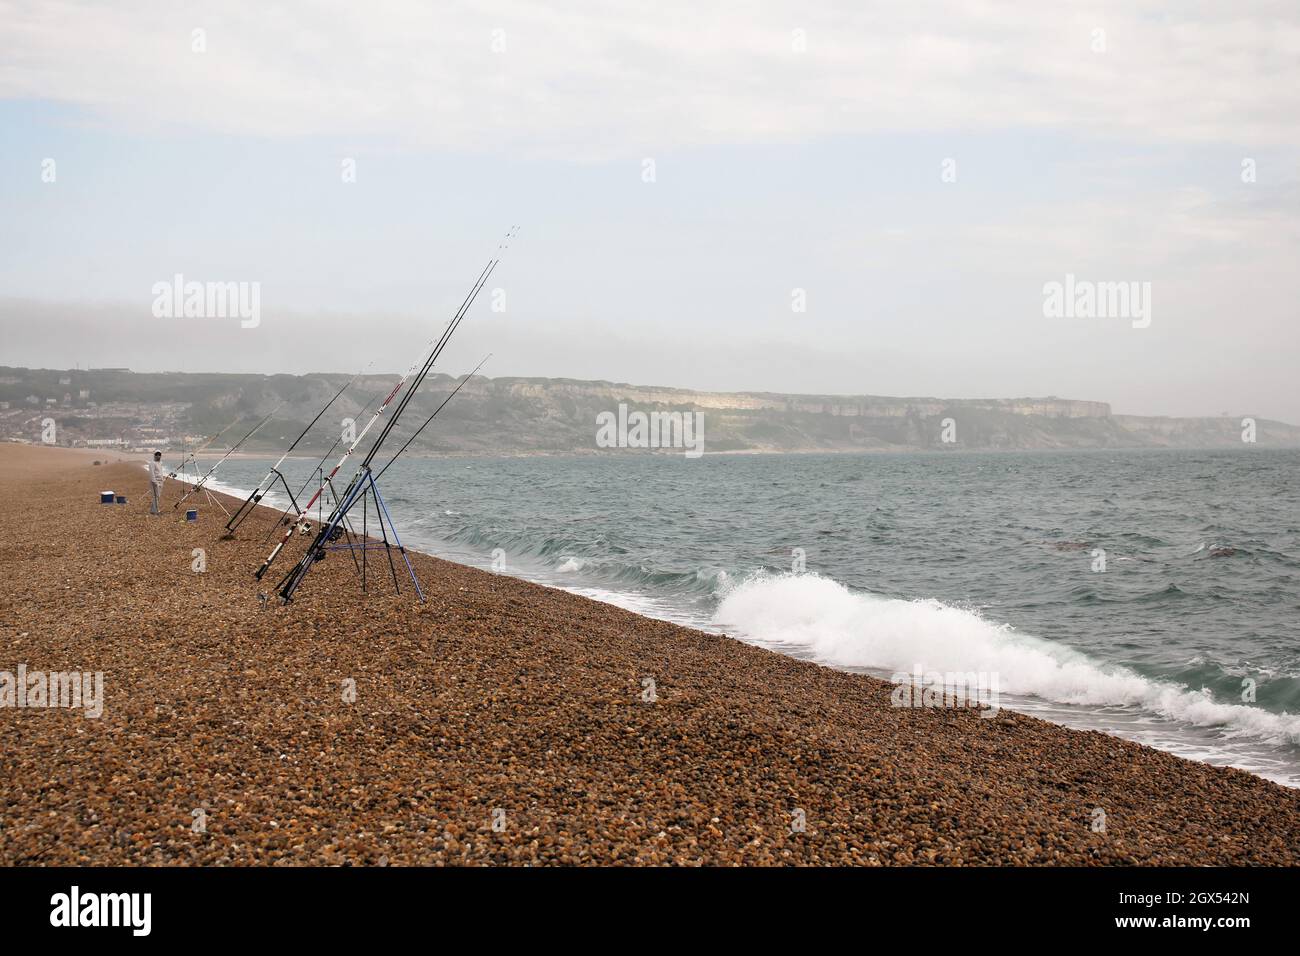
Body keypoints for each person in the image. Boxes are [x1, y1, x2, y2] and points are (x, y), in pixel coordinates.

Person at [148, 451, 165, 515]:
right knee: (155, 496)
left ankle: (152, 510)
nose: (158, 456)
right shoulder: (152, 463)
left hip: (161, 482)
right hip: (155, 482)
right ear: (154, 455)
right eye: (157, 455)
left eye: (159, 455)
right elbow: (152, 474)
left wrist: (162, 480)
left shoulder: (160, 463)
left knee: (158, 496)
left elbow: (160, 472)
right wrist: (155, 482)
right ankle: (157, 511)